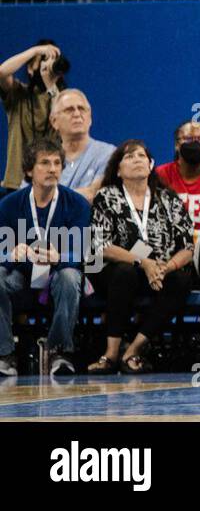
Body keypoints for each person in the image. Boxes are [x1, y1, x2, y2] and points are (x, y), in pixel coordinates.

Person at [88, 141, 197, 374]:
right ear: (118, 169)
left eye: (142, 156)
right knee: (124, 273)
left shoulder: (168, 199)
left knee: (182, 280)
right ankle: (111, 353)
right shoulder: (107, 197)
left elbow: (188, 247)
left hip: (159, 271)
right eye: (129, 157)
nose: (137, 159)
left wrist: (165, 268)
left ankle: (134, 349)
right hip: (116, 269)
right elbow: (101, 245)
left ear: (151, 165)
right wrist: (143, 262)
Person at [0, 140, 92, 377]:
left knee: (70, 276)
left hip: (56, 276)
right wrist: (11, 253)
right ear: (30, 171)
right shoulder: (9, 205)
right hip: (22, 274)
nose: (52, 169)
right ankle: (5, 354)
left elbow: (83, 254)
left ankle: (60, 352)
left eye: (57, 163)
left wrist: (59, 256)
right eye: (45, 163)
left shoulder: (77, 204)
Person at [1, 42, 64, 194]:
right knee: (21, 219)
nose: (48, 64)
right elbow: (2, 72)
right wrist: (36, 50)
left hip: (50, 186)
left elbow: (61, 125)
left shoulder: (64, 100)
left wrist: (52, 88)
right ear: (30, 68)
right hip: (17, 185)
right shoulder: (18, 94)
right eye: (43, 59)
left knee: (46, 219)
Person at [48, 89, 115, 197]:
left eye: (82, 109)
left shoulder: (109, 154)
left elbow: (95, 195)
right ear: (54, 121)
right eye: (69, 110)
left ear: (90, 118)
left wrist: (49, 198)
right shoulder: (42, 159)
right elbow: (28, 199)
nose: (77, 114)